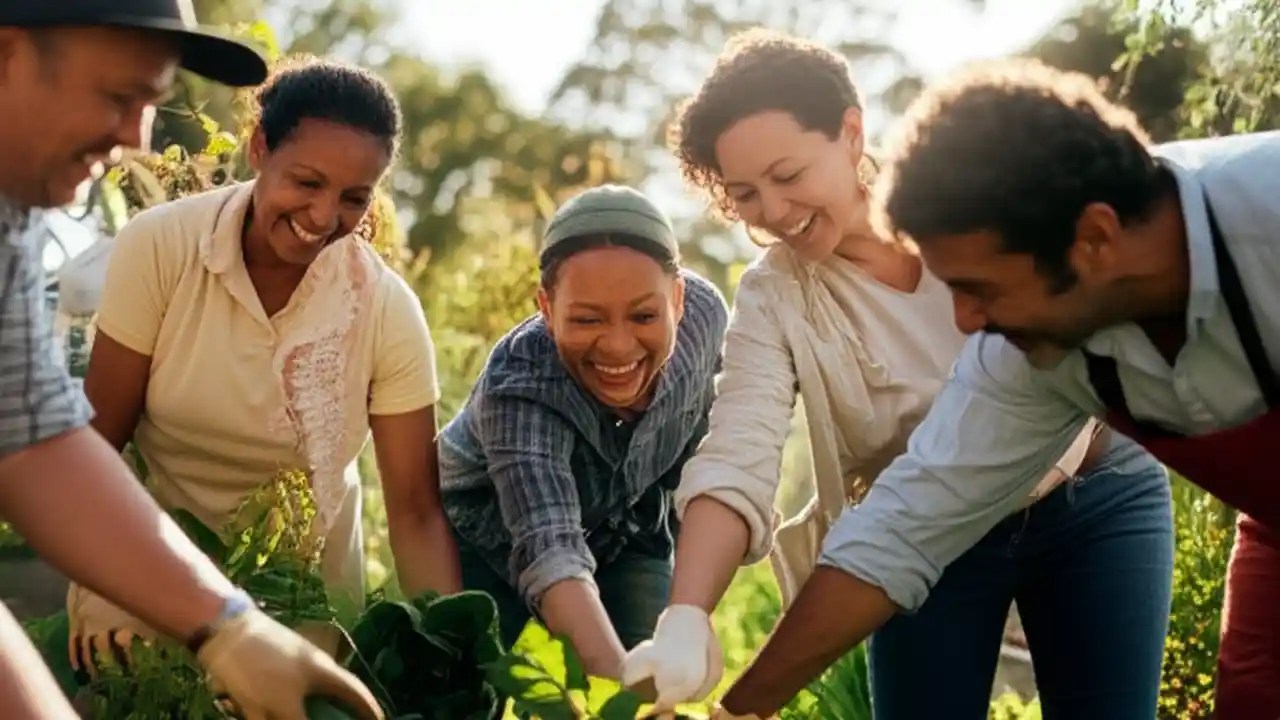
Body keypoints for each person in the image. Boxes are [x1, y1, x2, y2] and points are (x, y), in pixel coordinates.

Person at [618, 30, 1174, 719]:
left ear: (851, 133)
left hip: (1095, 498)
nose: (774, 212)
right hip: (921, 543)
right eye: (746, 194)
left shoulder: (970, 204)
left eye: (787, 176)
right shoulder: (775, 295)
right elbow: (738, 453)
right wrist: (686, 613)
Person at [713, 58, 1280, 720]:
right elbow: (904, 526)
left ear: (1095, 238)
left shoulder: (1265, 210)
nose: (964, 322)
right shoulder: (1028, 352)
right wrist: (735, 713)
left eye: (979, 289)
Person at [0, 3, 381, 720]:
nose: (136, 138)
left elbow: (29, 437)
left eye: (151, 102)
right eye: (118, 97)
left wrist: (228, 626)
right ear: (7, 55)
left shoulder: (9, 213)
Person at [67, 55, 463, 667]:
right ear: (258, 148)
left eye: (354, 198)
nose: (323, 217)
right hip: (146, 573)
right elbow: (97, 446)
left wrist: (453, 654)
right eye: (306, 183)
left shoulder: (387, 311)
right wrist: (104, 585)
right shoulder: (162, 247)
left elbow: (415, 513)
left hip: (303, 603)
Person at [438, 184, 729, 678]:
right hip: (483, 539)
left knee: (659, 681)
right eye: (588, 319)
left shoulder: (705, 321)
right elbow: (550, 550)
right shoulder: (520, 382)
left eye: (644, 315)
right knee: (461, 690)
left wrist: (688, 615)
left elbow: (701, 459)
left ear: (678, 300)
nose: (618, 346)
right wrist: (620, 691)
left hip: (627, 531)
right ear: (547, 310)